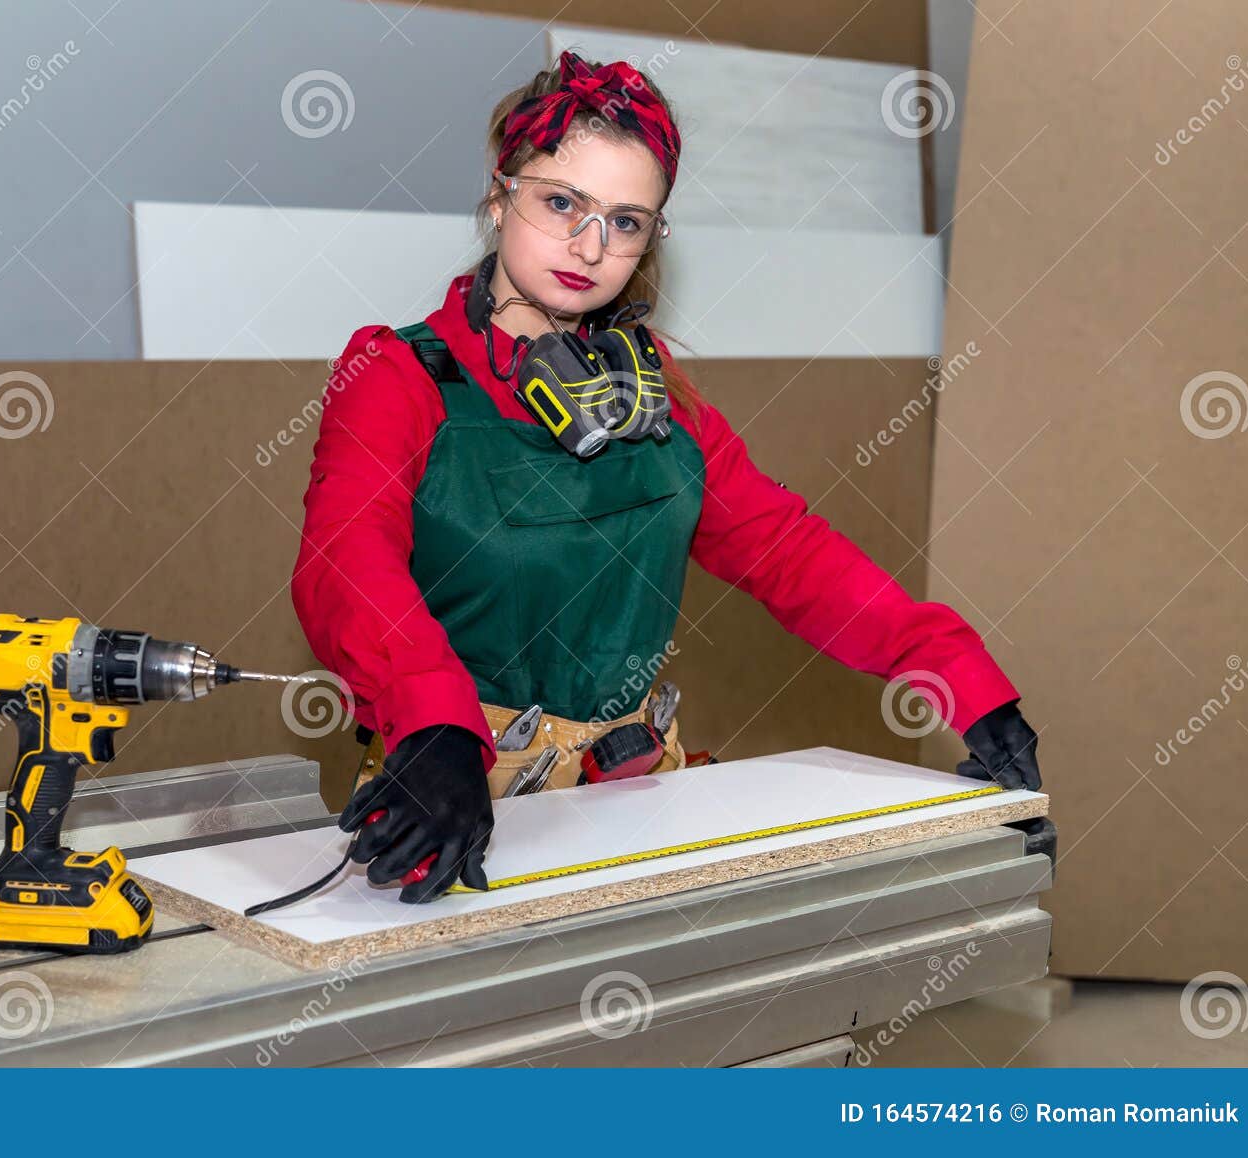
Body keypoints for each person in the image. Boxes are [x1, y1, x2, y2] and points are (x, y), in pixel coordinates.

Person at [290, 50, 1041, 904]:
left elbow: (787, 552)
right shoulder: (398, 376)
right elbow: (346, 560)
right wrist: (431, 723)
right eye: (561, 202)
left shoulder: (657, 396)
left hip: (641, 797)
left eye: (627, 221)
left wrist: (955, 674)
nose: (589, 246)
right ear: (500, 197)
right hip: (454, 797)